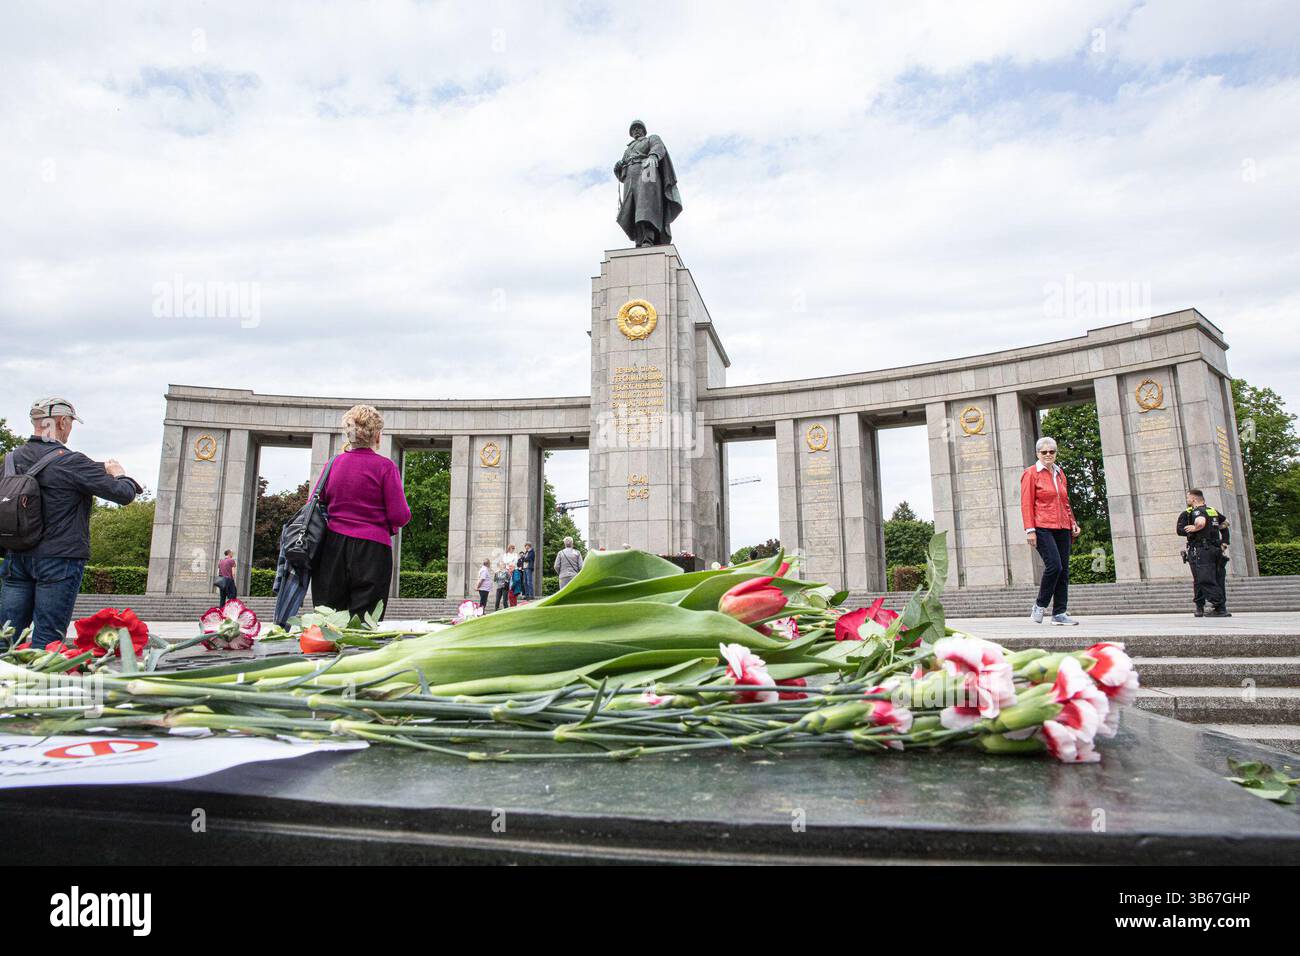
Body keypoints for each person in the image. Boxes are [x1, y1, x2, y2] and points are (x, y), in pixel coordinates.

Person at [0, 397, 142, 649]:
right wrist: (120, 473)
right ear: (63, 422)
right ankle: (36, 687)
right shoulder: (70, 461)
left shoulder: (10, 461)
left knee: (6, 637)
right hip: (59, 560)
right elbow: (123, 494)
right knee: (48, 641)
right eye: (71, 424)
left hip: (16, 557)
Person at [309, 405, 411, 620]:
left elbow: (314, 504)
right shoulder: (385, 467)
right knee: (366, 622)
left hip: (332, 549)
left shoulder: (333, 464)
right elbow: (400, 516)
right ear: (377, 435)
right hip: (373, 550)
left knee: (329, 620)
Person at [1020, 436, 1081, 626]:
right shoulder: (1031, 473)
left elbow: (1065, 501)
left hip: (1063, 527)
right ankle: (1039, 605)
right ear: (1038, 454)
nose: (1048, 455)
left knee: (1064, 570)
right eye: (1044, 452)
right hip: (1042, 526)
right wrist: (1030, 530)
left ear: (1056, 453)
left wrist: (1073, 523)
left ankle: (1059, 613)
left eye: (1051, 452)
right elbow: (1026, 503)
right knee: (1054, 565)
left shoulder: (1059, 473)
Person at [1177, 489, 1231, 617]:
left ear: (1194, 499)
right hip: (1216, 549)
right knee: (1217, 578)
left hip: (1202, 549)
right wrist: (1223, 542)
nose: (1187, 500)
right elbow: (1226, 523)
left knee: (1203, 578)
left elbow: (1200, 522)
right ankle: (1217, 607)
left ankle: (1219, 606)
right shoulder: (1211, 510)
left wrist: (1195, 528)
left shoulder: (1196, 511)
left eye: (1188, 497)